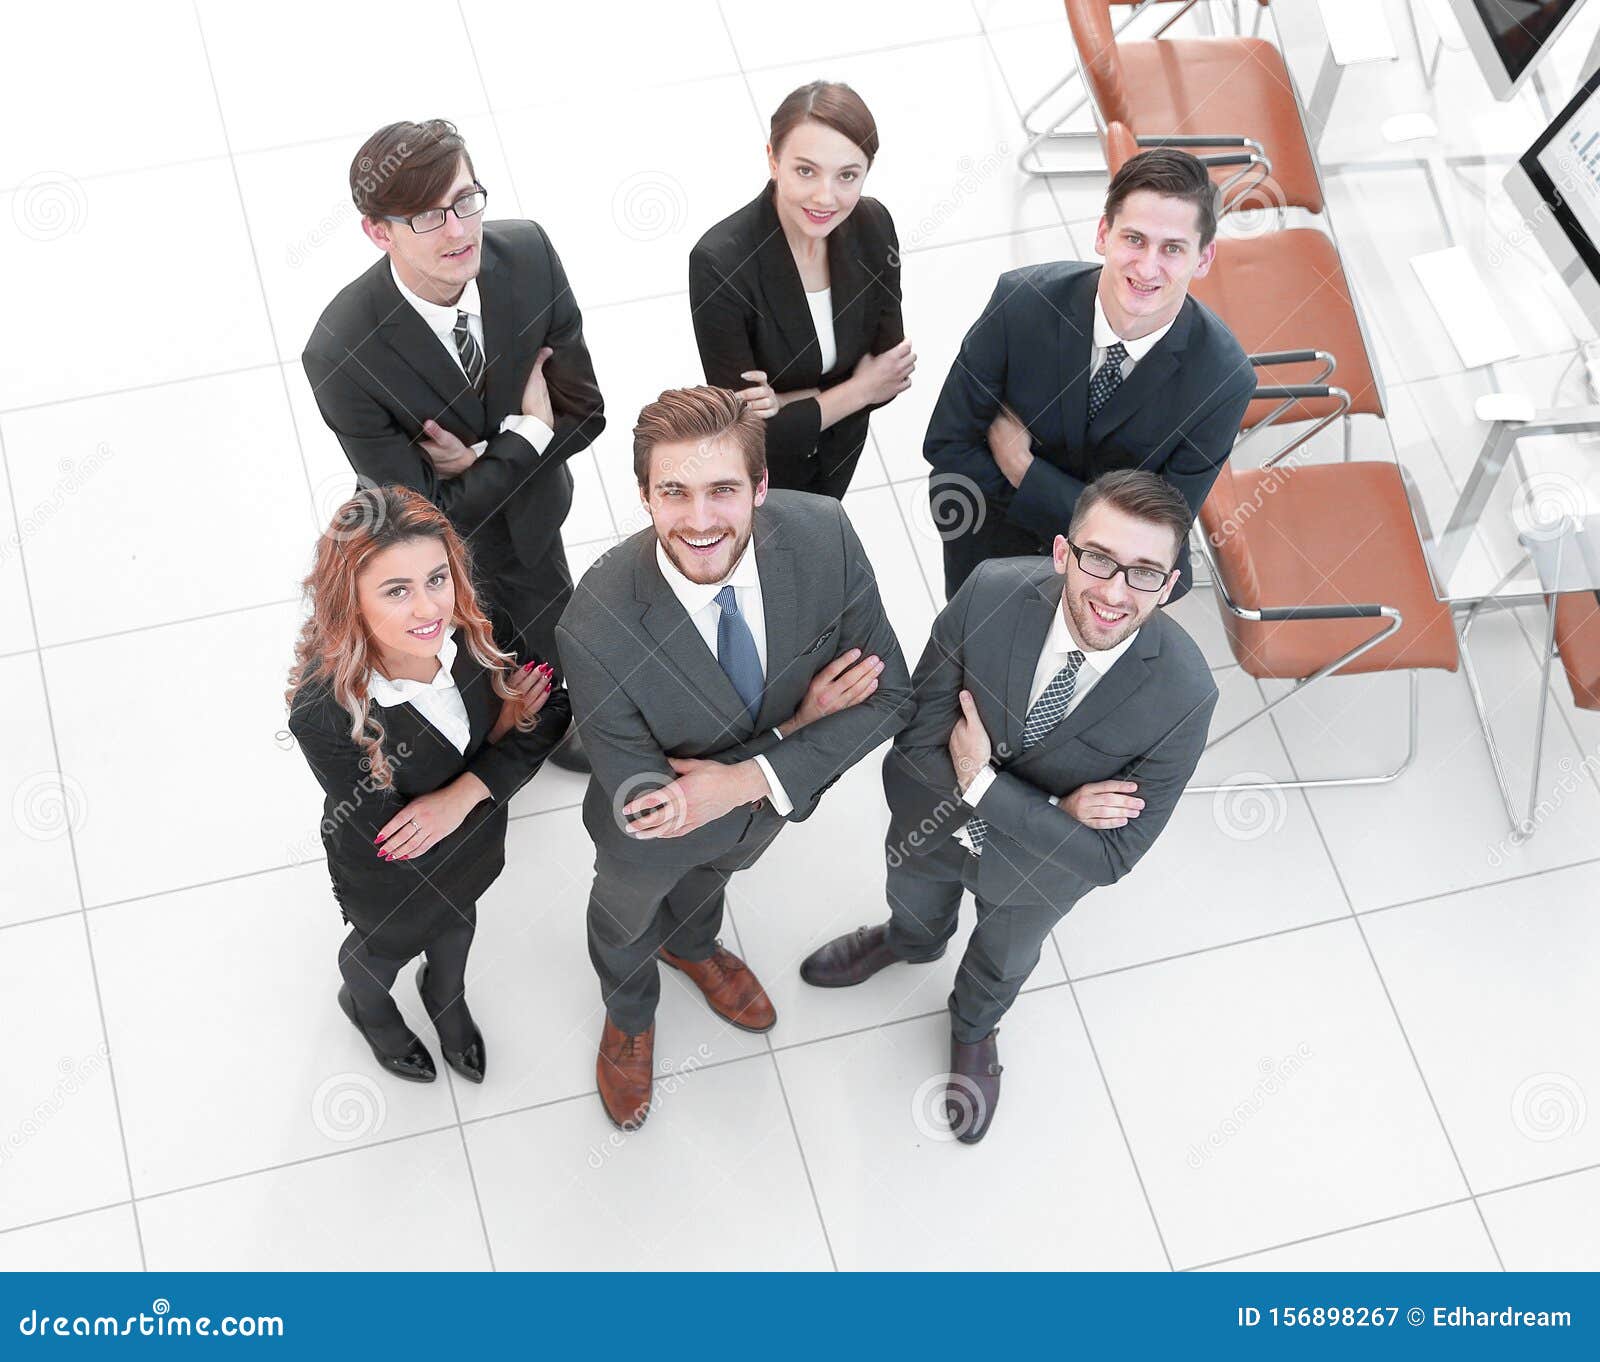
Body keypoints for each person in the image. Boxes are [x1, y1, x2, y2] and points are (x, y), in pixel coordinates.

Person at [801, 471, 1218, 1144]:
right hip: (930, 827)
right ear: (1062, 553)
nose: (1115, 593)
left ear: (1168, 586)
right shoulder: (991, 592)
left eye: (1143, 573)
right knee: (913, 903)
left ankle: (974, 1026)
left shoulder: (1186, 694)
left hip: (1036, 878)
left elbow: (1112, 856)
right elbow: (916, 744)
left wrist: (982, 782)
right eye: (1099, 559)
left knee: (1003, 958)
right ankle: (909, 942)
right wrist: (1058, 810)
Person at [555, 385, 914, 1131]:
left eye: (722, 489)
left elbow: (890, 697)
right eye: (674, 493)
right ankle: (629, 1015)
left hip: (762, 815)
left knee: (711, 884)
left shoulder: (824, 536)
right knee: (622, 926)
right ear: (645, 497)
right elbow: (649, 806)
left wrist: (746, 781)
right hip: (646, 843)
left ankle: (692, 947)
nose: (699, 520)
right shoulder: (595, 622)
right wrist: (796, 730)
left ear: (760, 486)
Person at [301, 117, 603, 771]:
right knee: (453, 657)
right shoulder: (339, 351)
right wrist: (525, 435)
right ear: (378, 232)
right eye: (427, 217)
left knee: (552, 629)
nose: (459, 230)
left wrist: (479, 463)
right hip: (429, 553)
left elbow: (585, 412)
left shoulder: (527, 254)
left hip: (533, 518)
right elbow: (424, 513)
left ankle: (555, 715)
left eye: (466, 201)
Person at [287, 486, 571, 1085]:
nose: (429, 609)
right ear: (350, 601)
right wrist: (503, 733)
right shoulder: (324, 712)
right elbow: (404, 837)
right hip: (390, 878)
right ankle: (366, 1007)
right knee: (381, 951)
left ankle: (445, 994)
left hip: (472, 848)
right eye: (397, 590)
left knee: (459, 924)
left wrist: (465, 792)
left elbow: (552, 711)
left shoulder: (480, 628)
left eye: (437, 579)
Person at [924, 147, 1255, 602]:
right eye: (1134, 239)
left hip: (1109, 583)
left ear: (1203, 258)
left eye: (1173, 248)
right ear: (1103, 234)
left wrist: (1025, 472)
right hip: (992, 540)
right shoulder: (1021, 301)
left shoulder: (1223, 380)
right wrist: (1102, 526)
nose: (1147, 267)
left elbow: (1158, 534)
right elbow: (948, 445)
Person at [689, 81, 914, 499]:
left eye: (847, 175)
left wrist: (790, 402)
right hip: (766, 474)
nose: (825, 197)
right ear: (773, 160)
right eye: (806, 171)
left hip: (840, 451)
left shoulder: (873, 225)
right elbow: (749, 429)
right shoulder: (720, 262)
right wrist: (858, 388)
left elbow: (892, 374)